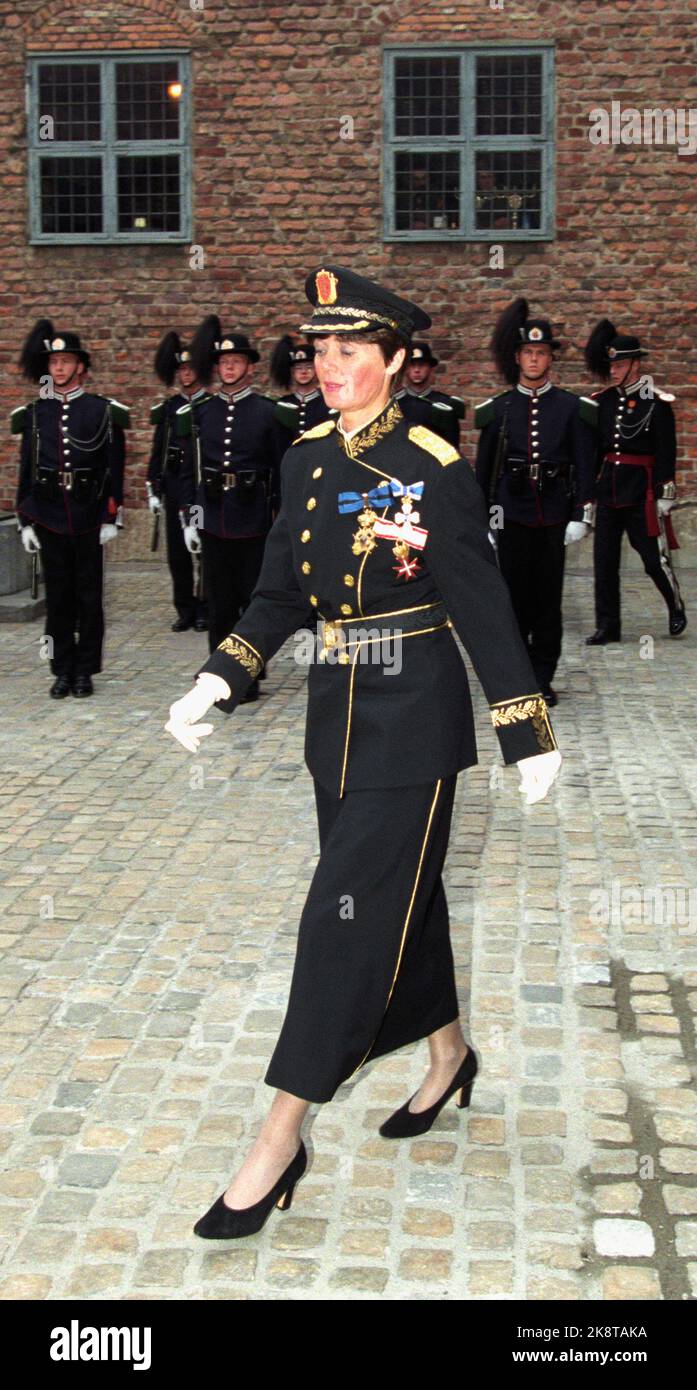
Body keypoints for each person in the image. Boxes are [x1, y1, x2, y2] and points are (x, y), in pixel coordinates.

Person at [165, 265, 561, 1241]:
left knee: (340, 921)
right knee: (399, 899)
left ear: (393, 360)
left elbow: (476, 594)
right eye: (318, 351)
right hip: (332, 723)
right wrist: (221, 676)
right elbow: (277, 596)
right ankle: (449, 1053)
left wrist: (524, 727)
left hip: (413, 724)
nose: (329, 366)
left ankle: (280, 1136)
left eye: (350, 351)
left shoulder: (429, 462)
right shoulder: (303, 459)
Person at [474, 297, 597, 707]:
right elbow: (484, 472)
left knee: (547, 603)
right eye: (528, 352)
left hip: (552, 516)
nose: (534, 360)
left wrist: (581, 514)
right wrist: (486, 522)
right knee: (511, 602)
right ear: (518, 357)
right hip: (511, 516)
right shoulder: (499, 409)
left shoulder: (571, 408)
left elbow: (584, 464)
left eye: (541, 353)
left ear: (550, 359)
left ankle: (542, 677)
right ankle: (516, 678)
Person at [12, 320, 128, 698]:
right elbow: (26, 467)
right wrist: (25, 519)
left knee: (89, 598)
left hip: (87, 513)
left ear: (80, 366)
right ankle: (61, 668)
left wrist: (113, 515)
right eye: (54, 362)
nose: (59, 368)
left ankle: (86, 669)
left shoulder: (102, 411)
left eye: (66, 361)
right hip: (48, 513)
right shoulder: (34, 414)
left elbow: (114, 466)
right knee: (58, 597)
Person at [177, 316, 282, 703]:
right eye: (224, 362)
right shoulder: (201, 412)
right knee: (219, 603)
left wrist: (280, 522)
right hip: (215, 516)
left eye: (237, 361)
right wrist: (190, 518)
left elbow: (281, 470)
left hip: (254, 518)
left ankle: (249, 675)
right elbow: (189, 469)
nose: (230, 367)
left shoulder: (268, 413)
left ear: (250, 367)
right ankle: (219, 674)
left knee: (251, 603)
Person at [583, 319, 687, 643]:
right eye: (612, 364)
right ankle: (608, 625)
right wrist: (588, 497)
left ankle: (675, 606)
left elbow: (666, 451)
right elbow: (596, 452)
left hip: (641, 492)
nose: (614, 371)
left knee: (653, 560)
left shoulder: (656, 403)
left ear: (636, 365)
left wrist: (664, 492)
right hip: (610, 490)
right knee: (604, 562)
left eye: (621, 364)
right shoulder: (603, 401)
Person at [147, 331, 209, 633]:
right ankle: (185, 607)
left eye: (191, 369)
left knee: (205, 552)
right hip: (174, 487)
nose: (186, 374)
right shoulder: (170, 408)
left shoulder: (209, 405)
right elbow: (158, 449)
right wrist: (153, 484)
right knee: (178, 553)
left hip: (203, 487)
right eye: (182, 370)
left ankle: (205, 607)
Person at [394, 341, 465, 449]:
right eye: (412, 365)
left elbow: (452, 449)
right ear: (405, 369)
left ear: (430, 368)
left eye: (421, 365)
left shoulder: (444, 405)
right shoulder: (394, 405)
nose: (417, 370)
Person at [269, 336, 333, 445]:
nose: (304, 372)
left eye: (309, 367)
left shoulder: (329, 404)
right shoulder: (282, 405)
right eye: (298, 368)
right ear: (292, 372)